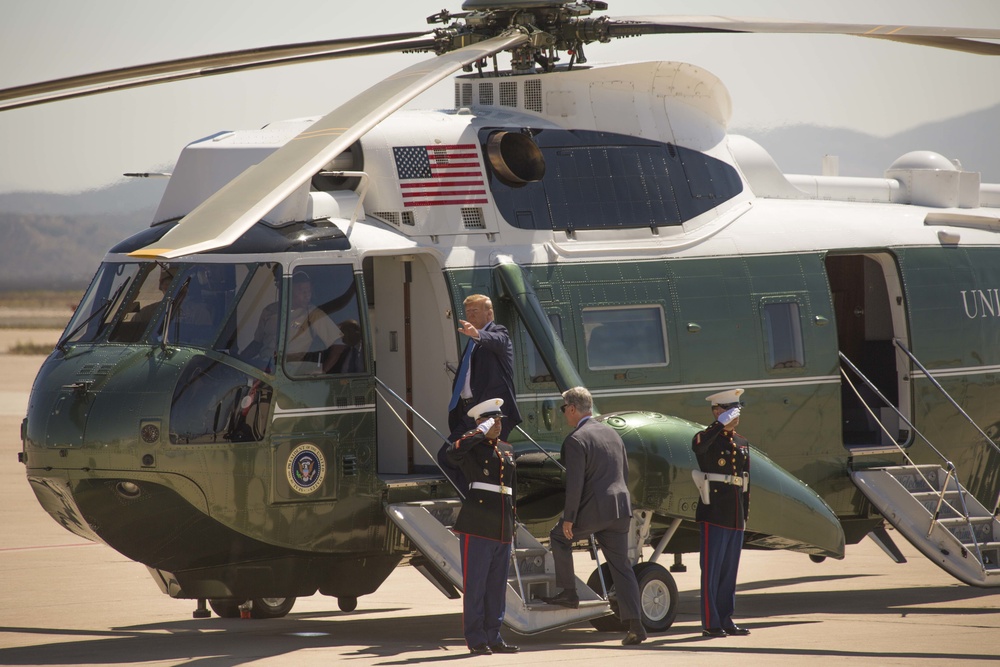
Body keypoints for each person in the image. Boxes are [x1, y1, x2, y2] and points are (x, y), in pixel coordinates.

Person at [542, 386, 646, 646]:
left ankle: (568, 592)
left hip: (595, 510)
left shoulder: (576, 439)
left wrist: (569, 518)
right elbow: (622, 471)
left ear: (573, 409)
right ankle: (636, 626)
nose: (564, 413)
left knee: (559, 537)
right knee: (621, 567)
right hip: (620, 509)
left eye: (564, 408)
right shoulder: (612, 434)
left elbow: (575, 484)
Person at [442, 398, 520, 656]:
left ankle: (493, 635)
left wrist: (514, 521)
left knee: (497, 586)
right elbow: (451, 454)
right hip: (477, 524)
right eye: (492, 421)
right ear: (481, 422)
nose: (498, 425)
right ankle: (476, 638)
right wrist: (478, 431)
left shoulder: (506, 449)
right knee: (476, 585)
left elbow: (511, 489)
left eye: (499, 421)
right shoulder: (472, 447)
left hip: (501, 525)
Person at [692, 388, 751, 638]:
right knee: (712, 571)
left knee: (729, 572)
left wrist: (745, 514)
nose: (734, 416)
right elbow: (699, 448)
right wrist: (718, 425)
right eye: (728, 410)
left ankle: (726, 619)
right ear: (717, 411)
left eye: (736, 410)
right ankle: (711, 622)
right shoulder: (706, 437)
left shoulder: (741, 443)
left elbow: (745, 481)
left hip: (735, 513)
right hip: (714, 512)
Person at [446, 294, 522, 441]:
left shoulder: (498, 332)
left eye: (474, 310)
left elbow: (499, 340)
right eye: (467, 311)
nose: (470, 314)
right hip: (468, 411)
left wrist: (477, 334)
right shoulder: (472, 342)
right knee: (450, 454)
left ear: (489, 313)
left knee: (486, 458)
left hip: (489, 412)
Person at [277, 271, 344, 375]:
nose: (306, 295)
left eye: (308, 290)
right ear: (290, 291)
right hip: (264, 365)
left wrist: (322, 370)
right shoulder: (271, 311)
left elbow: (339, 344)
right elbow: (257, 342)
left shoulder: (313, 314)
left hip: (288, 371)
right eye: (301, 290)